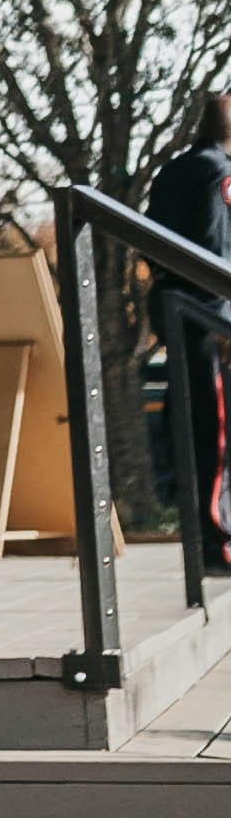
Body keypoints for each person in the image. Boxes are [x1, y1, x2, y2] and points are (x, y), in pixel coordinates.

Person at [148, 87, 231, 567]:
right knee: (215, 433)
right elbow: (214, 252)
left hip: (174, 307)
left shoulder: (174, 169)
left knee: (192, 425)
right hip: (208, 315)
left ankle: (203, 536)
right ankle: (218, 541)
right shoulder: (218, 172)